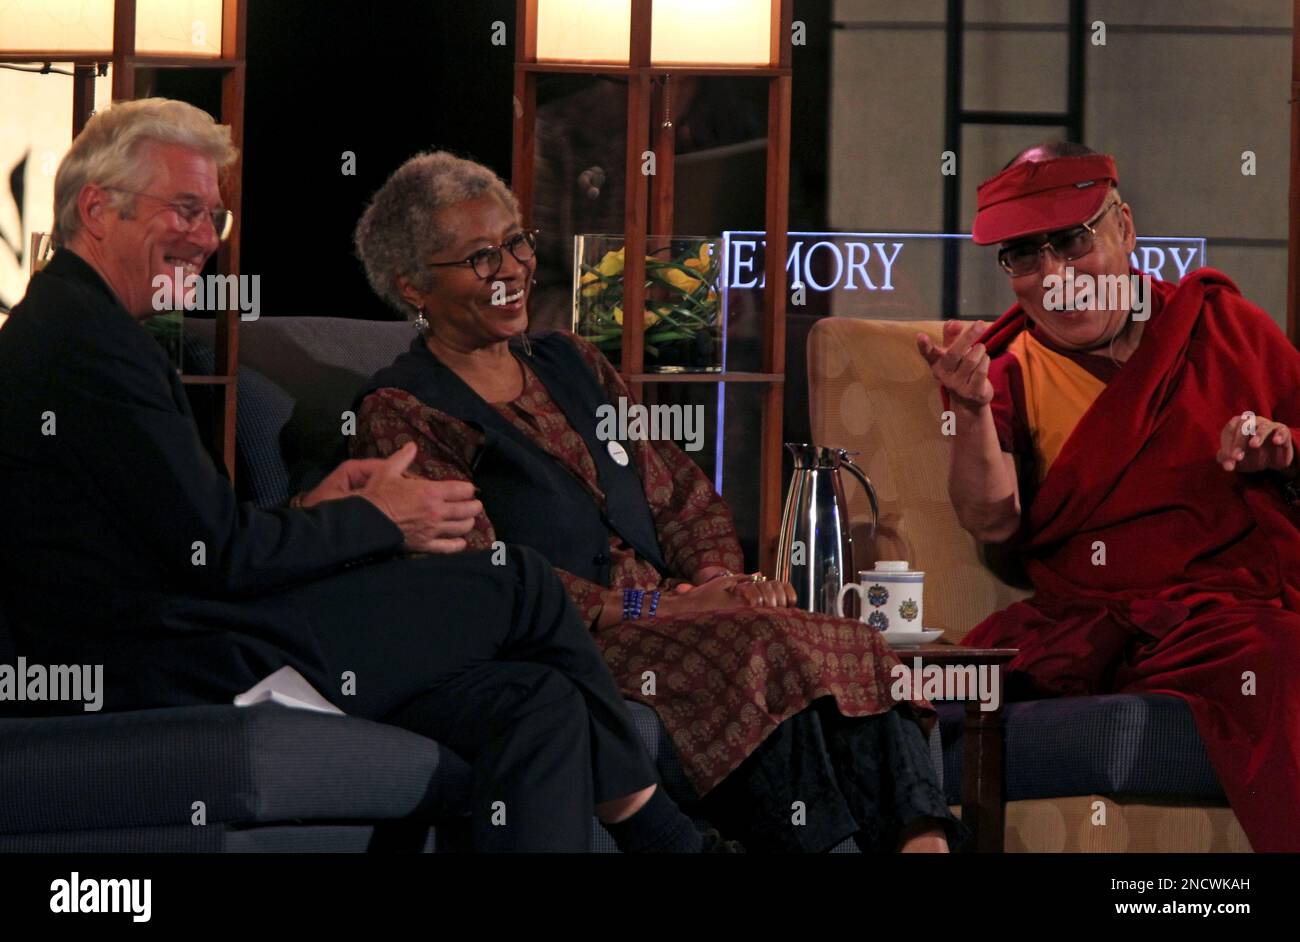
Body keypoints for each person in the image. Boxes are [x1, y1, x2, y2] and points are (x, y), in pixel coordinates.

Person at [0, 96, 730, 854]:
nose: (203, 239)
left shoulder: (87, 328)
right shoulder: (85, 344)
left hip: (184, 625)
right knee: (520, 582)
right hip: (160, 656)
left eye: (211, 218)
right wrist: (384, 519)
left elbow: (191, 533)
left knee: (535, 701)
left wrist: (316, 505)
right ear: (96, 207)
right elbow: (215, 557)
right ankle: (660, 833)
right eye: (184, 210)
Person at [349, 150, 966, 853]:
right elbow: (490, 581)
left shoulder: (577, 363)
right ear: (413, 286)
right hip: (575, 644)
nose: (513, 270)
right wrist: (666, 607)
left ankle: (924, 844)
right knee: (763, 648)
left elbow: (681, 494)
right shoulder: (405, 410)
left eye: (516, 242)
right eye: (480, 257)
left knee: (844, 638)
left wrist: (713, 582)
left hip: (683, 617)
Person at [917, 141, 1300, 852]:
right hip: (1098, 621)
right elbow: (992, 518)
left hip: (1229, 608)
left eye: (1070, 242)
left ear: (1123, 227)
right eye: (1024, 256)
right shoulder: (1003, 372)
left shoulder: (1220, 328)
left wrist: (1283, 452)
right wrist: (968, 412)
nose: (1055, 277)